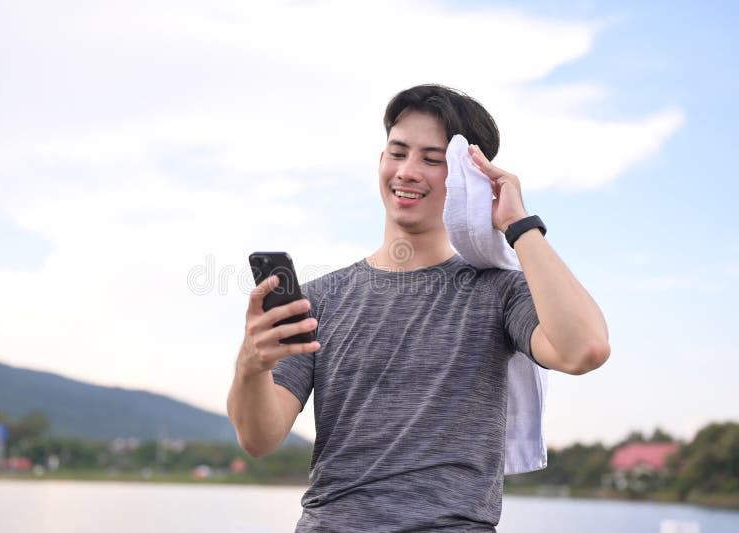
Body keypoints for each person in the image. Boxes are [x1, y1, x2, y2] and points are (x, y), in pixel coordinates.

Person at [227, 84, 610, 531]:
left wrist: (519, 224)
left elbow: (584, 349)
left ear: (472, 177)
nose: (408, 172)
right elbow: (258, 438)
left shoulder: (498, 292)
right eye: (398, 152)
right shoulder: (319, 300)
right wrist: (250, 365)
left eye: (433, 160)